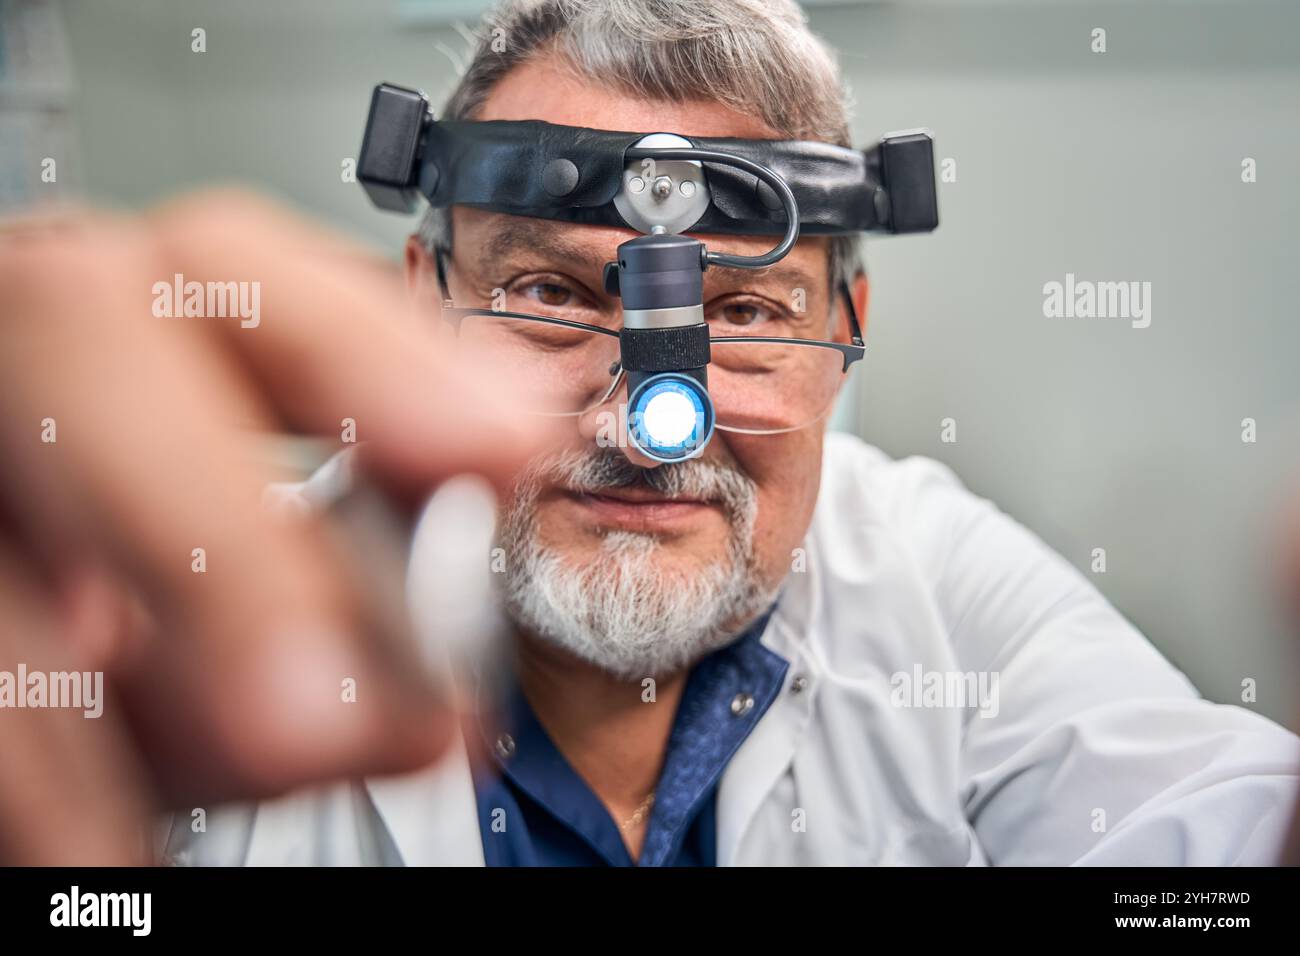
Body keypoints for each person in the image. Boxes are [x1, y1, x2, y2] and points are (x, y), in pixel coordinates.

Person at [4, 0, 1297, 866]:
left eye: (745, 310)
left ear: (847, 329)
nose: (651, 419)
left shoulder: (939, 595)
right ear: (420, 302)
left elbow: (1215, 847)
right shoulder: (163, 642)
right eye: (552, 295)